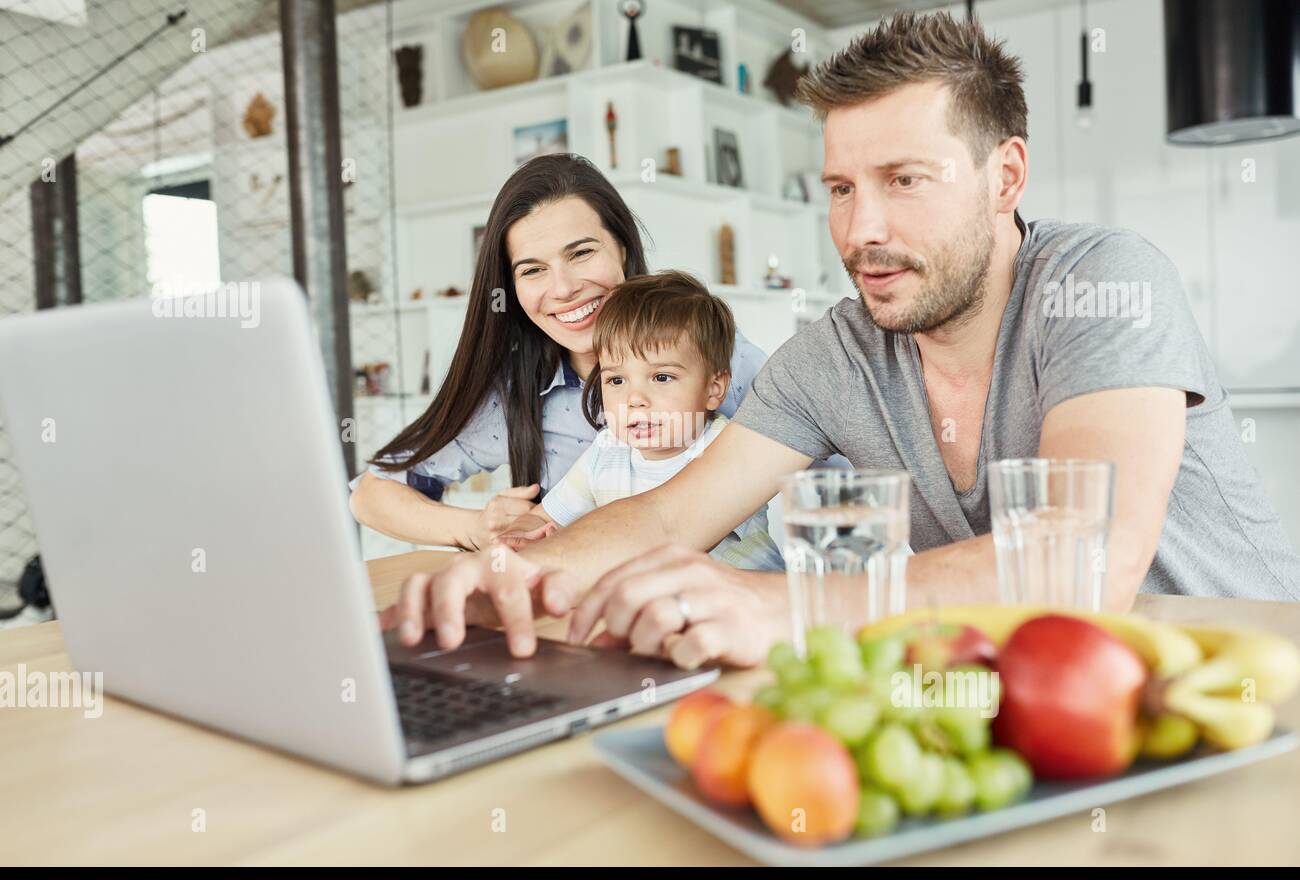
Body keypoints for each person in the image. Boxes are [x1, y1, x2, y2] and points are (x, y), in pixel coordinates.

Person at [380, 11, 1300, 669]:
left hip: (1242, 690)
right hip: (1032, 697)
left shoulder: (1103, 282)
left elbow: (1082, 563)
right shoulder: (838, 352)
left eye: (904, 180)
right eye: (841, 188)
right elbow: (668, 515)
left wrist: (778, 607)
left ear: (1004, 174)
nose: (862, 229)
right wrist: (508, 578)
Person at [348, 153, 766, 550]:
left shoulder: (716, 355)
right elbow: (372, 494)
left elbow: (825, 473)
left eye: (581, 252)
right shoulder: (517, 391)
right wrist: (475, 527)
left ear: (622, 246)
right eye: (533, 270)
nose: (563, 289)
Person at [495, 270, 783, 572]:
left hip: (748, 608)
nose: (635, 399)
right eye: (617, 380)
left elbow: (674, 540)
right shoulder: (606, 451)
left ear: (713, 388)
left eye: (661, 377)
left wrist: (574, 547)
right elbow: (544, 517)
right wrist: (520, 536)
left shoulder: (731, 446)